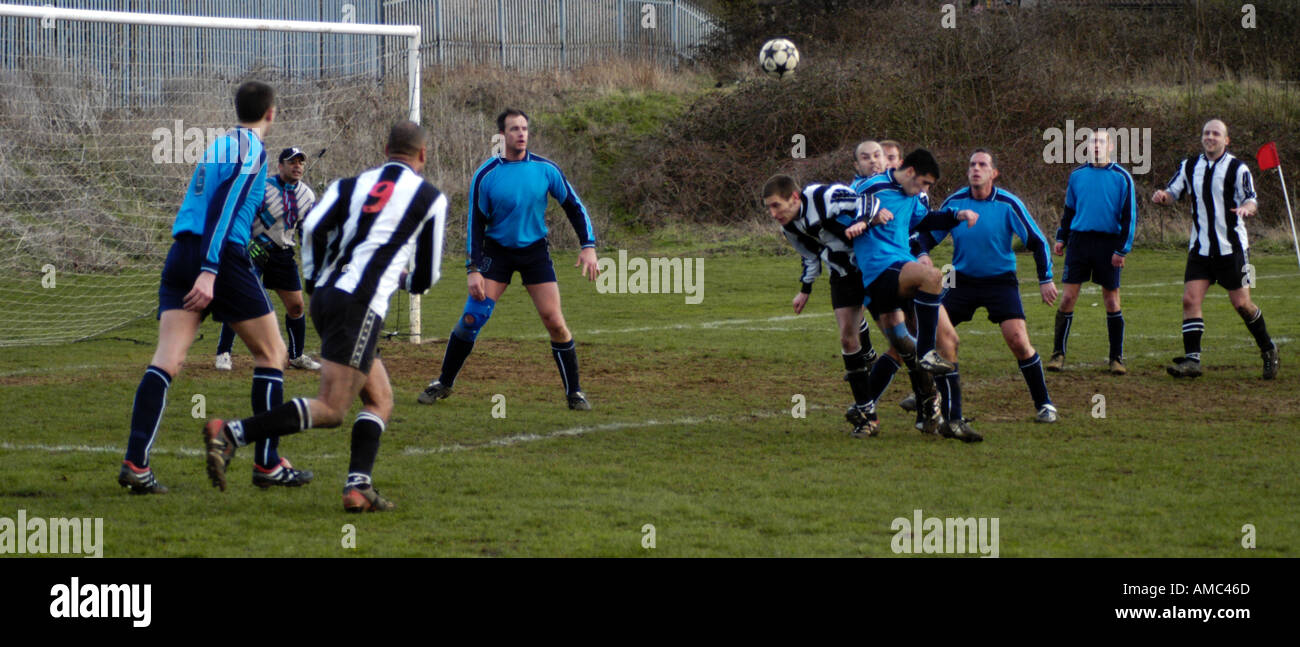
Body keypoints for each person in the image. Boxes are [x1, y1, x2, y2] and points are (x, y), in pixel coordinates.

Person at [202, 121, 448, 512]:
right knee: (332, 409)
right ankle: (232, 432)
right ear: (423, 155)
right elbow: (426, 277)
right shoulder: (429, 197)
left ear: (385, 149)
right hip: (360, 305)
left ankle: (358, 486)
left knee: (380, 398)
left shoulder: (351, 185)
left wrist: (316, 277)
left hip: (327, 298)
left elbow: (314, 226)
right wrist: (403, 278)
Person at [117, 81, 308, 494]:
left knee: (167, 359)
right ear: (271, 113)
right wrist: (210, 269)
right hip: (218, 257)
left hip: (181, 250)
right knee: (273, 354)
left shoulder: (218, 146)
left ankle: (136, 462)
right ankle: (268, 464)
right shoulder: (252, 150)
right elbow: (223, 210)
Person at [418, 108, 600, 410]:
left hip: (534, 254)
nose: (522, 134)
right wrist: (473, 269)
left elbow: (574, 206)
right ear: (501, 136)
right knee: (471, 319)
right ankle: (444, 382)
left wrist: (588, 245)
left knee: (555, 322)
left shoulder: (546, 169)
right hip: (496, 254)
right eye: (515, 129)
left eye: (525, 128)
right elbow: (475, 225)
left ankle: (575, 392)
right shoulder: (486, 174)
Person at [844, 149, 982, 442]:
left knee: (950, 341)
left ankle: (952, 420)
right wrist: (868, 219)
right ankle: (924, 356)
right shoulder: (871, 187)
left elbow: (925, 220)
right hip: (880, 273)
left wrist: (957, 215)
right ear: (909, 172)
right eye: (924, 183)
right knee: (933, 276)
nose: (924, 190)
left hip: (902, 269)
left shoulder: (911, 196)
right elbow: (852, 213)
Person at [917, 149, 1060, 424]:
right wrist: (921, 253)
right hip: (959, 280)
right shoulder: (955, 202)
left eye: (983, 164)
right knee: (933, 333)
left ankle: (1044, 403)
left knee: (1018, 340)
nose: (976, 169)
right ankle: (927, 395)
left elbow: (1038, 241)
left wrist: (1046, 279)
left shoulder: (1008, 203)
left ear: (993, 173)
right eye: (972, 164)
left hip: (1000, 280)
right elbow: (927, 236)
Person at [1152, 119, 1277, 379]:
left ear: (1226, 140)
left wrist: (1247, 209)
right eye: (1206, 133)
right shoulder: (1189, 166)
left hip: (1234, 250)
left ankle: (1268, 348)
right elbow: (1173, 191)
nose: (1210, 137)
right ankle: (1192, 361)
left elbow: (1251, 199)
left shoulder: (1237, 168)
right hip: (1200, 248)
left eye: (1216, 133)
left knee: (1242, 304)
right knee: (1190, 299)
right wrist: (1163, 196)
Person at [764, 177, 883, 413]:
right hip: (842, 274)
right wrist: (805, 289)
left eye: (776, 205)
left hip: (875, 265)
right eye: (768, 207)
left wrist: (862, 221)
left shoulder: (824, 197)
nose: (772, 213)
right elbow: (809, 256)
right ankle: (866, 412)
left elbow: (868, 201)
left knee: (898, 335)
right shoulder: (788, 227)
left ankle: (928, 397)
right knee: (847, 339)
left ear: (794, 198)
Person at [215, 147, 322, 375]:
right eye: (292, 162)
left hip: (283, 254)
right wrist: (245, 244)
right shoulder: (262, 188)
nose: (297, 166)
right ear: (280, 166)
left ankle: (296, 356)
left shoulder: (307, 196)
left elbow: (306, 231)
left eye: (301, 163)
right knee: (240, 300)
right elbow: (242, 217)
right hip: (254, 251)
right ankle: (224, 352)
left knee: (296, 306)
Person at [1047, 129, 1138, 375]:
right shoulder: (1077, 175)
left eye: (1100, 142)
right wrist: (1061, 237)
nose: (1095, 146)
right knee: (1067, 298)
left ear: (1110, 148)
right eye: (1091, 142)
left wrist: (1122, 249)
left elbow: (1129, 217)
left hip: (1108, 245)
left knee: (1111, 300)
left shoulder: (1122, 178)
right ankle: (1058, 354)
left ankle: (1116, 358)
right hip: (1079, 242)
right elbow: (1069, 209)